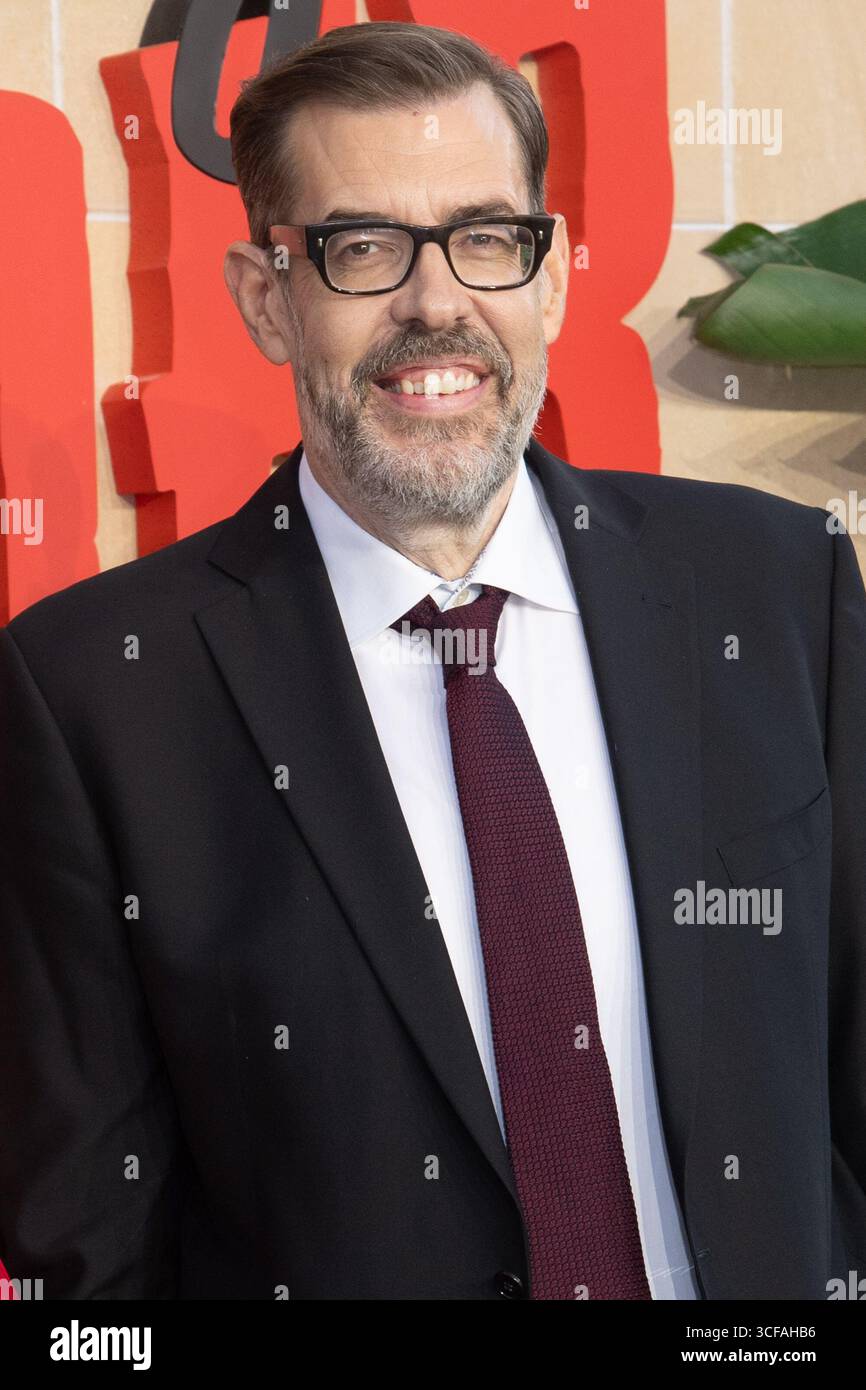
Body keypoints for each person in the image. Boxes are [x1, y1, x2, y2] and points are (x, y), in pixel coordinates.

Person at [1, 21, 864, 1301]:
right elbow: (90, 1266)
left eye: (483, 238)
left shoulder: (777, 589)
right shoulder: (93, 694)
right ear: (263, 297)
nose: (436, 304)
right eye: (361, 249)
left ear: (554, 275)